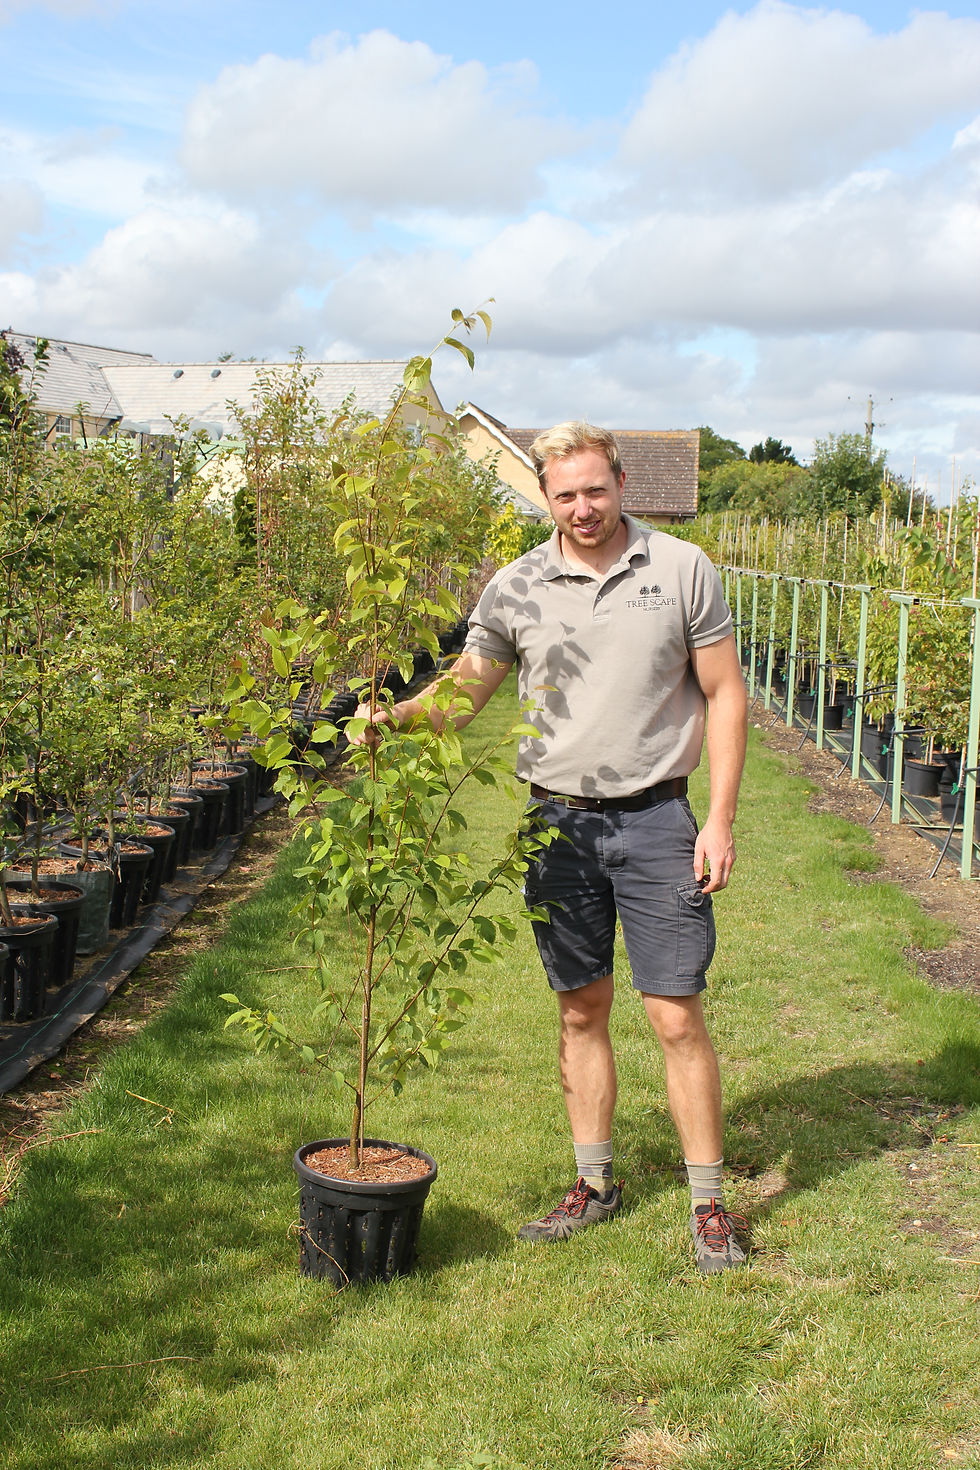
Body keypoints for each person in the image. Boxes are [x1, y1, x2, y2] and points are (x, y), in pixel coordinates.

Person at [353, 421, 749, 1272]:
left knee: (675, 1013)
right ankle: (595, 1184)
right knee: (579, 1007)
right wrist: (398, 718)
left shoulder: (682, 568)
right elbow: (465, 693)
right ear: (545, 496)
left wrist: (718, 820)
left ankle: (709, 1203)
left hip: (658, 822)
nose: (583, 508)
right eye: (565, 494)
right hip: (558, 827)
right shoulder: (516, 586)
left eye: (595, 490)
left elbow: (724, 695)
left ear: (622, 482)